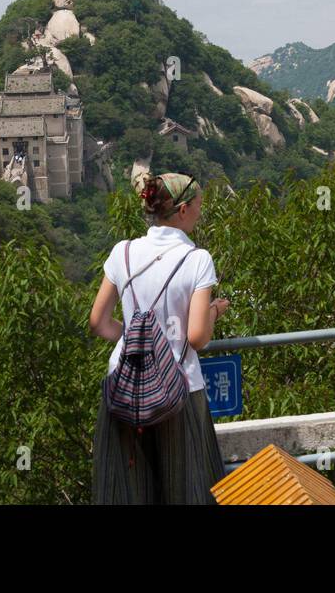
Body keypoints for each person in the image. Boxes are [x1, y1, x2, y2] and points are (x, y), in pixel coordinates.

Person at [88, 171, 231, 503]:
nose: (200, 212)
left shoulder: (122, 253)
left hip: (124, 390)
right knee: (186, 491)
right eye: (198, 205)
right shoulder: (197, 260)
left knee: (129, 493)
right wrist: (213, 313)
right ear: (182, 210)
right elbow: (195, 337)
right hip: (179, 392)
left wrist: (137, 337)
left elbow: (98, 322)